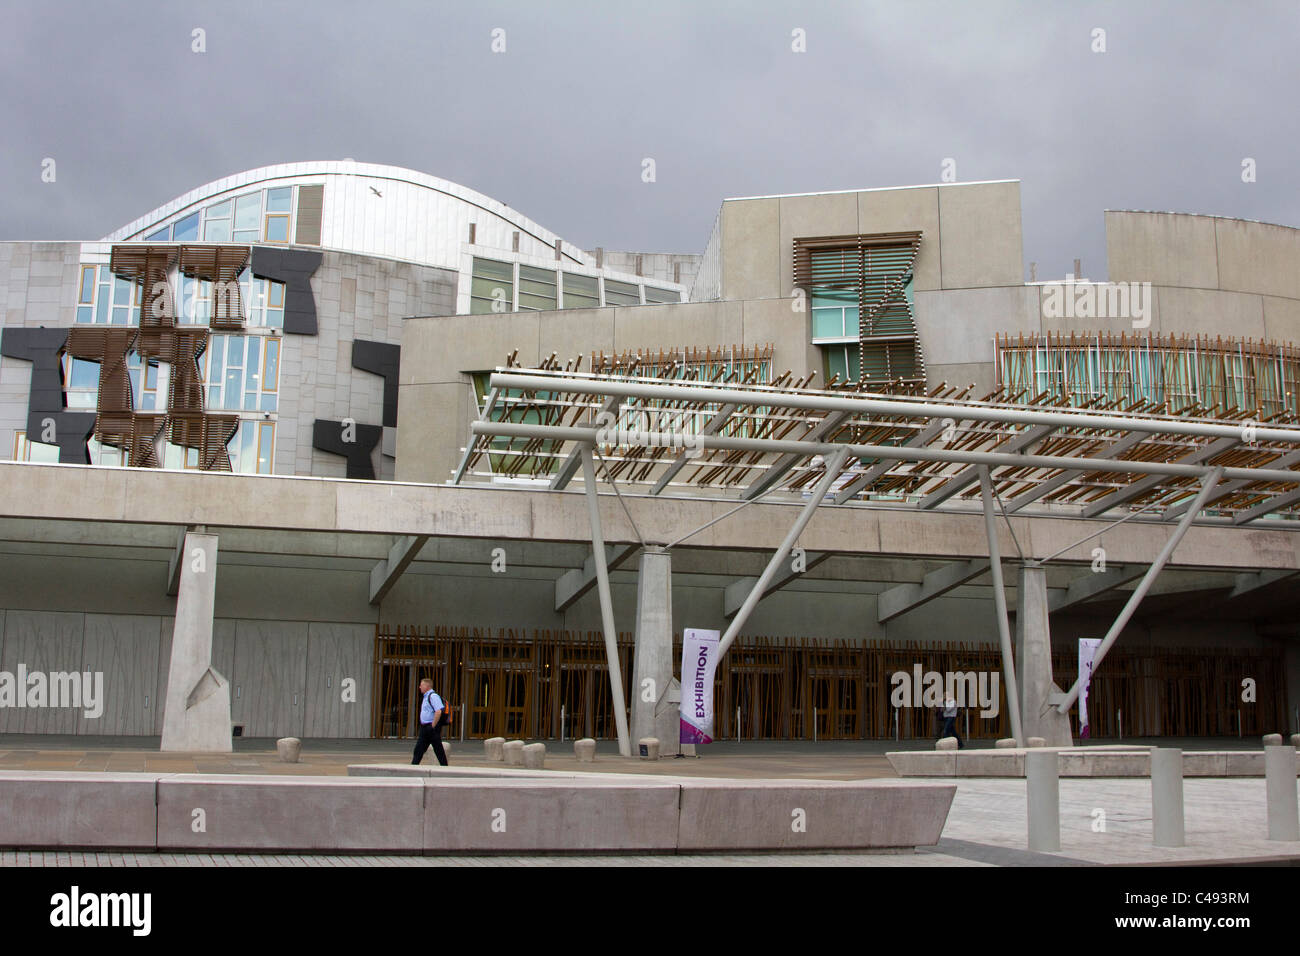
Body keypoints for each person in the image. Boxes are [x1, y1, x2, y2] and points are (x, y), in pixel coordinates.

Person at [411, 677, 449, 766]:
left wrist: (432, 726)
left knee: (438, 749)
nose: (420, 687)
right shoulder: (426, 697)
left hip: (431, 727)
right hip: (425, 727)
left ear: (427, 686)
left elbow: (438, 711)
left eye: (421, 685)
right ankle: (414, 765)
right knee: (419, 749)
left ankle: (444, 766)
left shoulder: (433, 696)